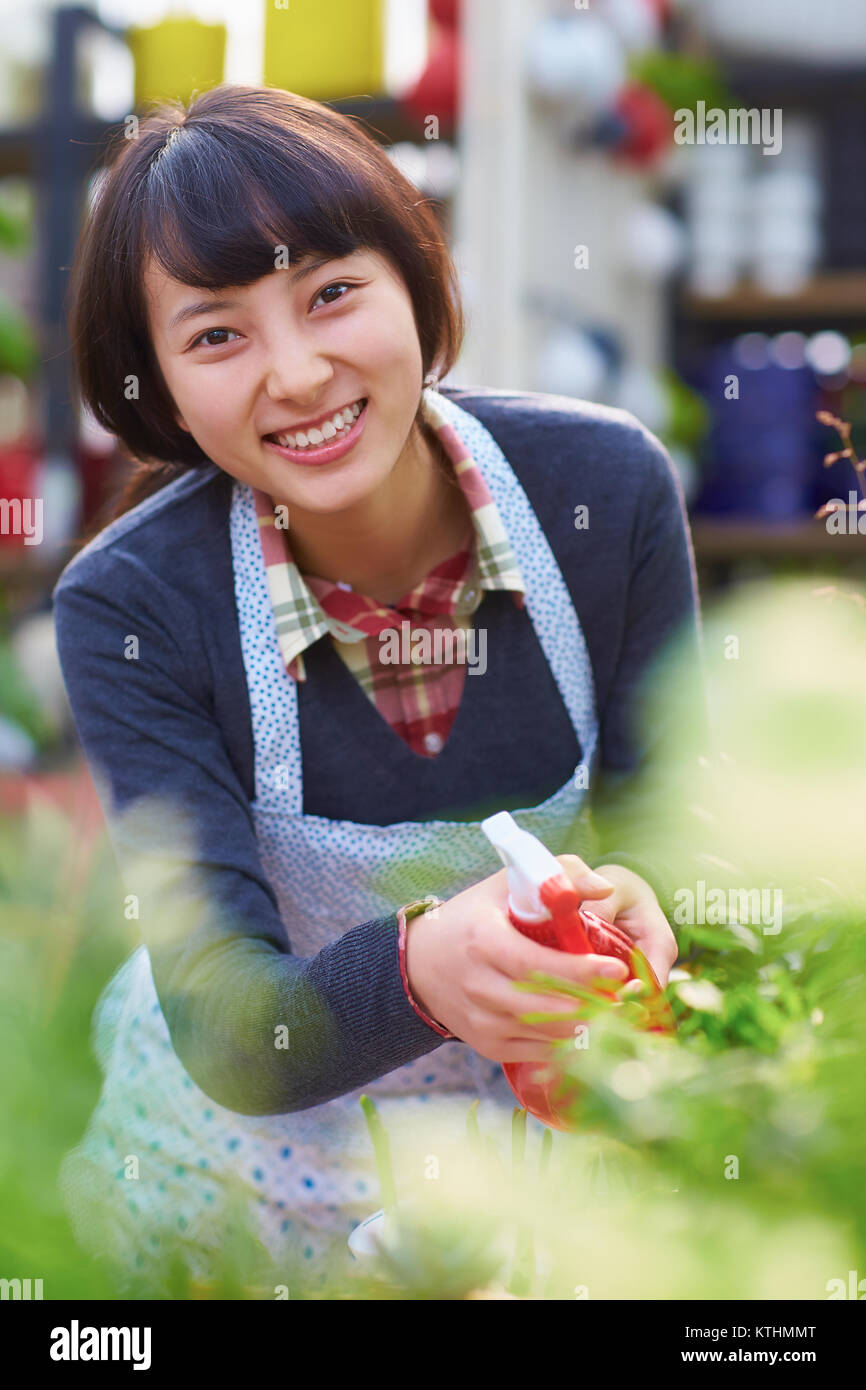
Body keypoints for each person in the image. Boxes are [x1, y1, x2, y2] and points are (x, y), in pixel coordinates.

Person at [52, 84, 701, 1292]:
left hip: (529, 1159)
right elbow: (230, 1025)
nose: (296, 374)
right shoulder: (132, 604)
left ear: (414, 276)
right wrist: (417, 972)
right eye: (216, 334)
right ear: (158, 390)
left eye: (330, 293)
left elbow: (687, 822)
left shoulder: (601, 490)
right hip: (243, 1176)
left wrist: (651, 894)